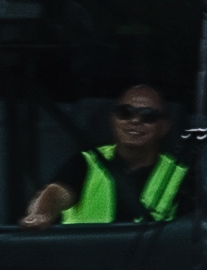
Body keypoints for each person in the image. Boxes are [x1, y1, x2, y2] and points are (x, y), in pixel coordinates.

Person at [22, 83, 192, 227]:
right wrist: (40, 215)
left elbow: (190, 230)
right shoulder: (85, 162)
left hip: (149, 265)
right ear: (113, 119)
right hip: (83, 262)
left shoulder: (180, 175)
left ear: (164, 127)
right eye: (125, 113)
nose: (135, 121)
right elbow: (55, 193)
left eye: (148, 116)